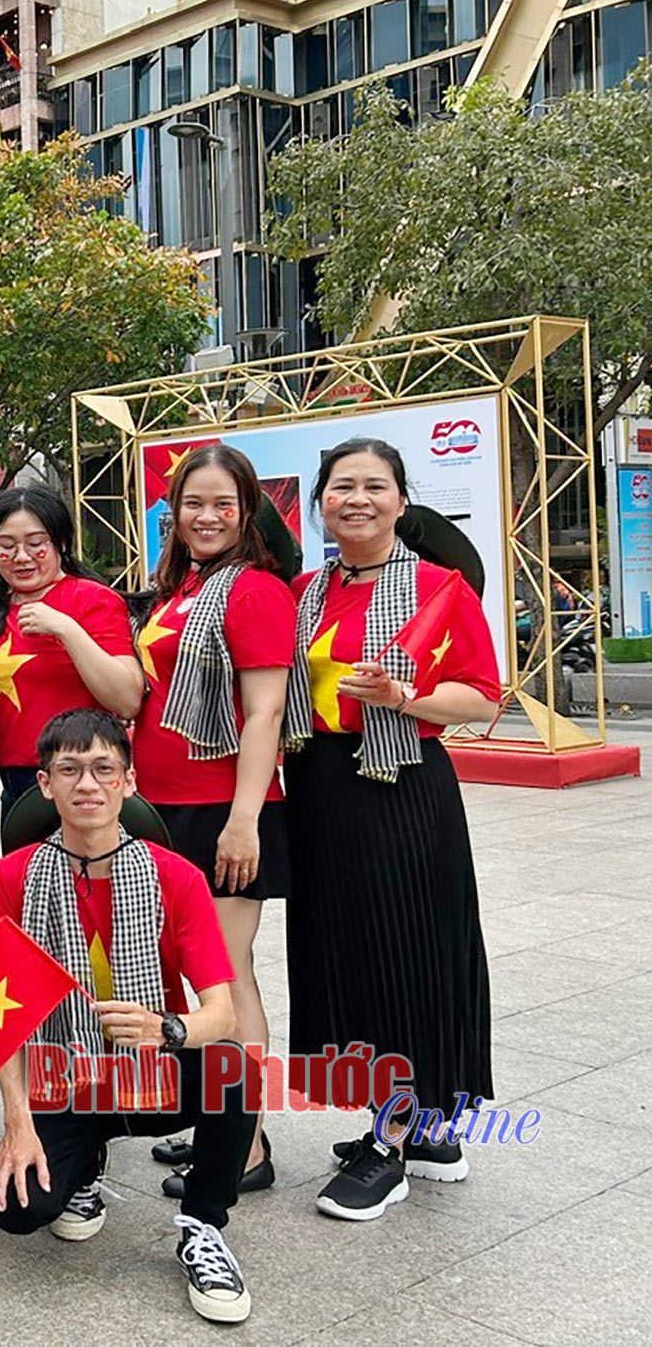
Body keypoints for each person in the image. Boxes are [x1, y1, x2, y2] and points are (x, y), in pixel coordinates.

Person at [282, 438, 500, 1222]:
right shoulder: (304, 592)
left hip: (400, 786)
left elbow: (482, 696)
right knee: (348, 953)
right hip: (320, 788)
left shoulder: (439, 588)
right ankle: (429, 1126)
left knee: (404, 952)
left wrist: (405, 697)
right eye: (343, 487)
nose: (359, 500)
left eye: (376, 486)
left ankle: (393, 1142)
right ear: (321, 503)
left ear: (402, 501)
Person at [0, 709, 257, 1325]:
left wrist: (169, 1029)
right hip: (64, 1075)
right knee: (15, 1211)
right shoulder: (12, 878)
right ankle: (85, 1163)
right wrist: (17, 1122)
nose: (88, 784)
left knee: (235, 1071)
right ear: (44, 784)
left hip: (152, 1070)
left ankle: (204, 1225)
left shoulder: (174, 876)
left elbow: (223, 1013)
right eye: (69, 770)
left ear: (128, 781)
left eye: (104, 768)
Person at [134, 445, 293, 1199]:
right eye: (191, 503)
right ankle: (218, 1123)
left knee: (227, 974)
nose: (206, 516)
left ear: (246, 509)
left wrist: (243, 820)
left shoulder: (254, 591)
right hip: (166, 808)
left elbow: (265, 710)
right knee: (198, 972)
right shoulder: (182, 589)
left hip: (222, 810)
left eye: (222, 503)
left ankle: (246, 1145)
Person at [0, 487, 142, 825]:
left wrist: (67, 630)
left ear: (61, 543)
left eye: (35, 543)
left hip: (82, 779)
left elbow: (127, 699)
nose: (21, 557)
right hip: (15, 783)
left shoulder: (93, 599)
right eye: (7, 546)